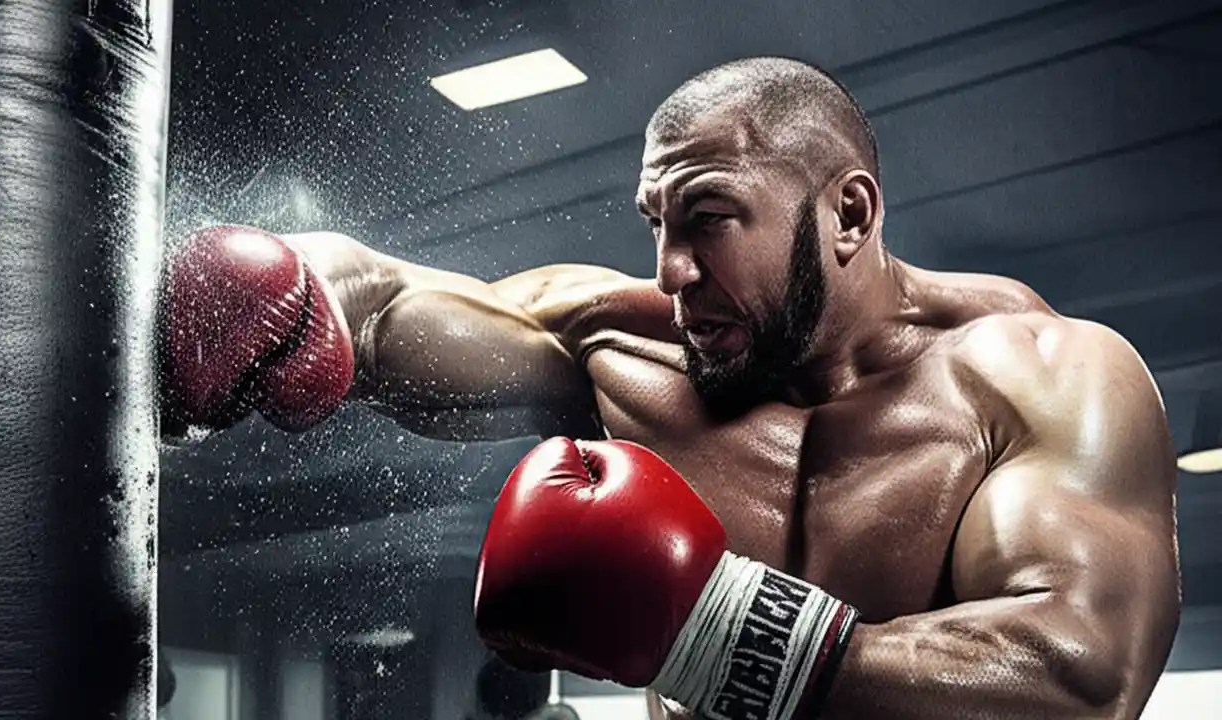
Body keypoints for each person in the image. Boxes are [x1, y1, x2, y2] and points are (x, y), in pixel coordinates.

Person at [159, 57, 1181, 719]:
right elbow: (388, 308)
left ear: (848, 214)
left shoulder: (1038, 378)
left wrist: (702, 628)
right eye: (655, 219)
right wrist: (296, 289)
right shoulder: (631, 347)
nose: (669, 269)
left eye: (707, 217)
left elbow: (1073, 672)